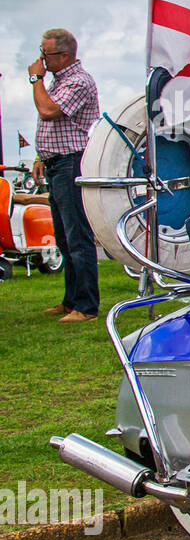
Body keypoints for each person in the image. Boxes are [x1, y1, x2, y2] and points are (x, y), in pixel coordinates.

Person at [27, 29, 101, 323]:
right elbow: (52, 126)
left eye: (45, 53)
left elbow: (48, 112)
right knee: (64, 237)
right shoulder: (60, 82)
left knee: (77, 236)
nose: (40, 58)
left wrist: (36, 80)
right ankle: (71, 300)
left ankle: (86, 306)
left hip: (72, 163)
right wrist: (40, 156)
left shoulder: (78, 82)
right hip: (57, 163)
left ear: (64, 55)